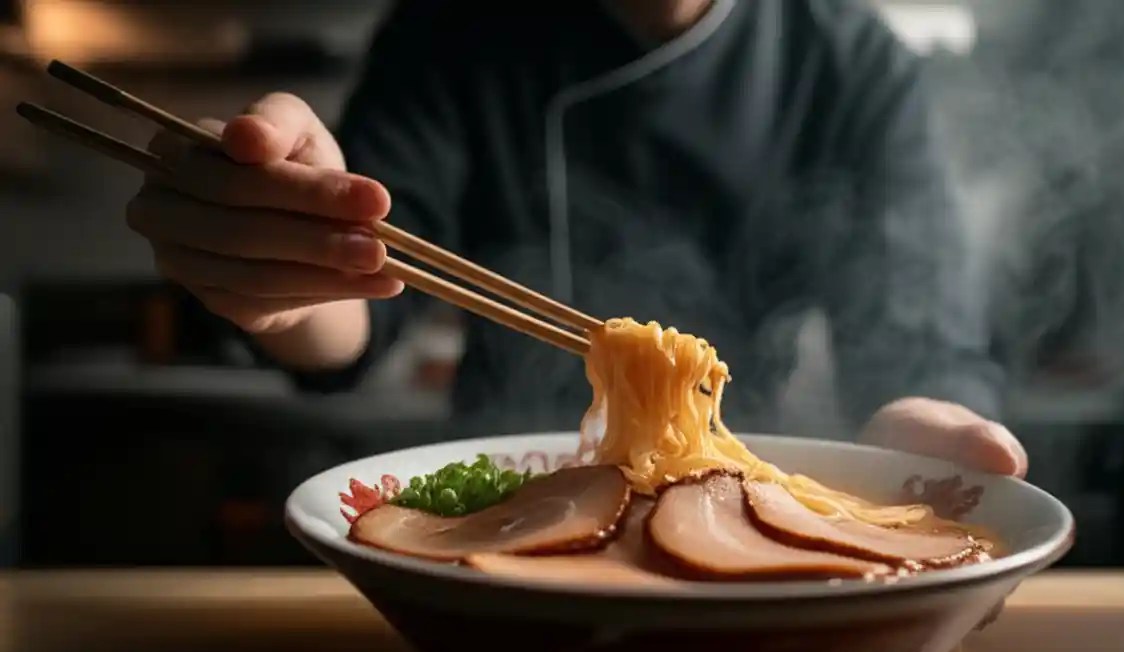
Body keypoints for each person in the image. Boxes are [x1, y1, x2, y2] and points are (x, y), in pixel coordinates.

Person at [124, 0, 1028, 477]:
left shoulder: (847, 58)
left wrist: (929, 431)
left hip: (743, 488)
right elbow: (369, 278)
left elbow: (919, 334)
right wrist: (288, 265)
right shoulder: (453, 31)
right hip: (508, 492)